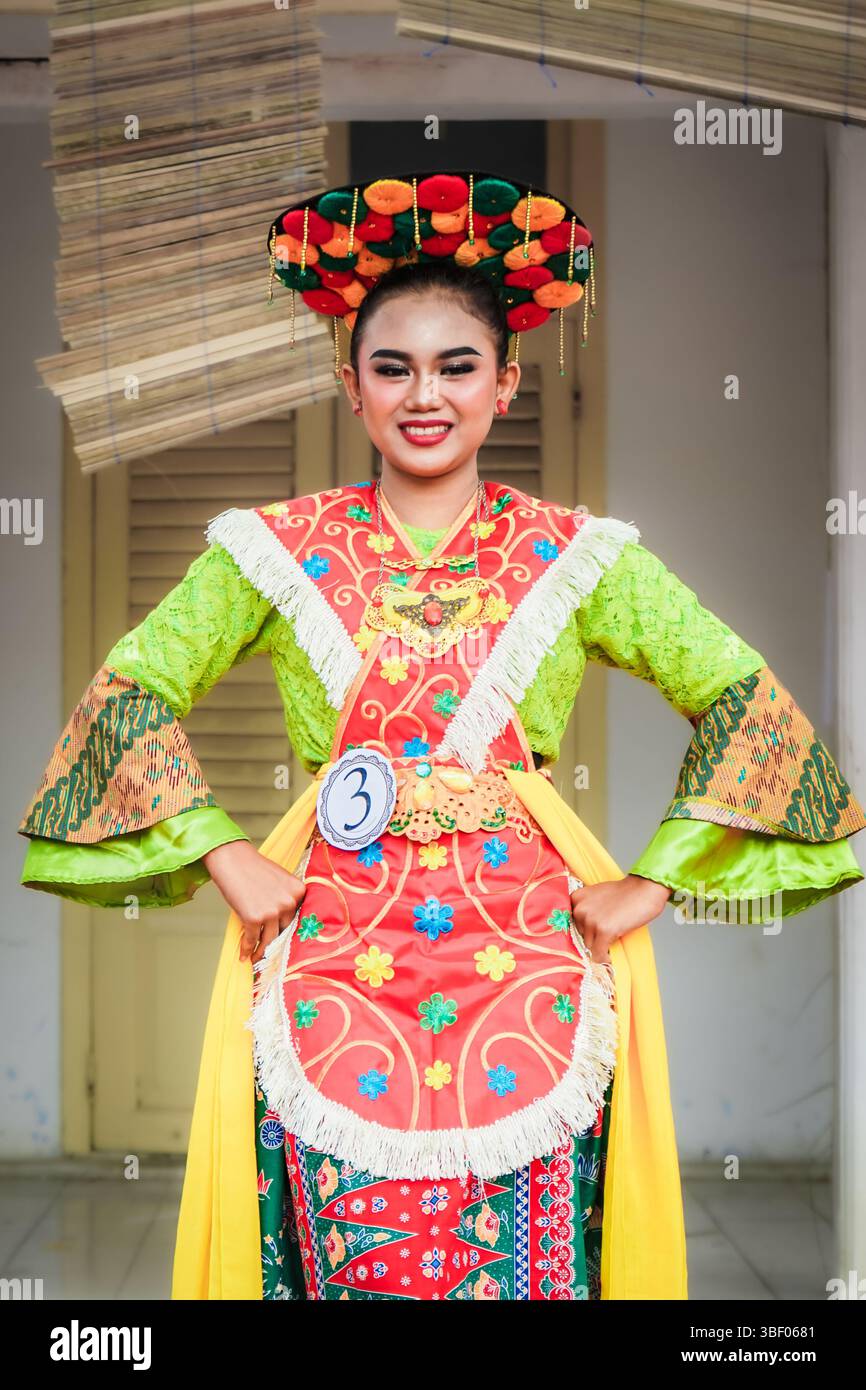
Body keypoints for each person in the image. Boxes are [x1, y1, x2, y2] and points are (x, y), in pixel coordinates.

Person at [18, 171, 865, 1302]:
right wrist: (224, 851)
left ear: (505, 383)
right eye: (392, 366)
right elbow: (126, 694)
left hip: (532, 962)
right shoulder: (267, 548)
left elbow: (743, 698)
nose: (426, 394)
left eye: (457, 365)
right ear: (348, 385)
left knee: (531, 1267)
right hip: (326, 957)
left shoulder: (578, 554)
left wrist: (648, 882)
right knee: (335, 1257)